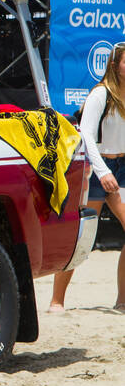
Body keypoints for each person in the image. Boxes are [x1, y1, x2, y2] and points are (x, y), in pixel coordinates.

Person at [50, 44, 125, 311]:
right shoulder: (100, 94)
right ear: (115, 65)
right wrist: (103, 171)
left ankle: (121, 302)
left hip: (122, 168)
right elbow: (87, 136)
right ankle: (57, 301)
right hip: (96, 169)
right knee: (82, 238)